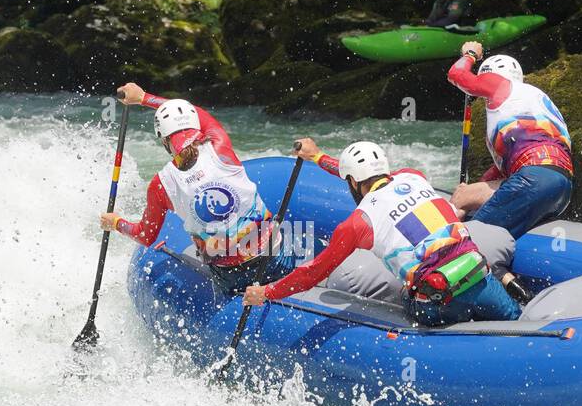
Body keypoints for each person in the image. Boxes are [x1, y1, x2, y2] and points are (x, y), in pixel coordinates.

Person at [242, 139, 521, 326]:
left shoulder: (359, 223)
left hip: (437, 304)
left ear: (351, 182)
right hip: (478, 278)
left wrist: (267, 292)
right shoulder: (414, 176)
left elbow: (312, 273)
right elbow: (357, 174)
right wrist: (317, 156)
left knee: (403, 292)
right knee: (514, 319)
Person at [100, 83, 295, 295]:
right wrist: (143, 97)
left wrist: (116, 223)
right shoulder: (220, 145)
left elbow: (146, 236)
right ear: (195, 124)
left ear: (164, 141)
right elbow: (199, 112)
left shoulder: (161, 184)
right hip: (274, 257)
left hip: (231, 275)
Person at [447, 41, 573, 239]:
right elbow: (502, 171)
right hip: (562, 188)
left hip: (533, 180)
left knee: (471, 242)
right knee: (467, 195)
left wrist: (470, 54)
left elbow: (457, 75)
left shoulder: (500, 85)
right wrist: (472, 191)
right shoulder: (535, 101)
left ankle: (441, 247)